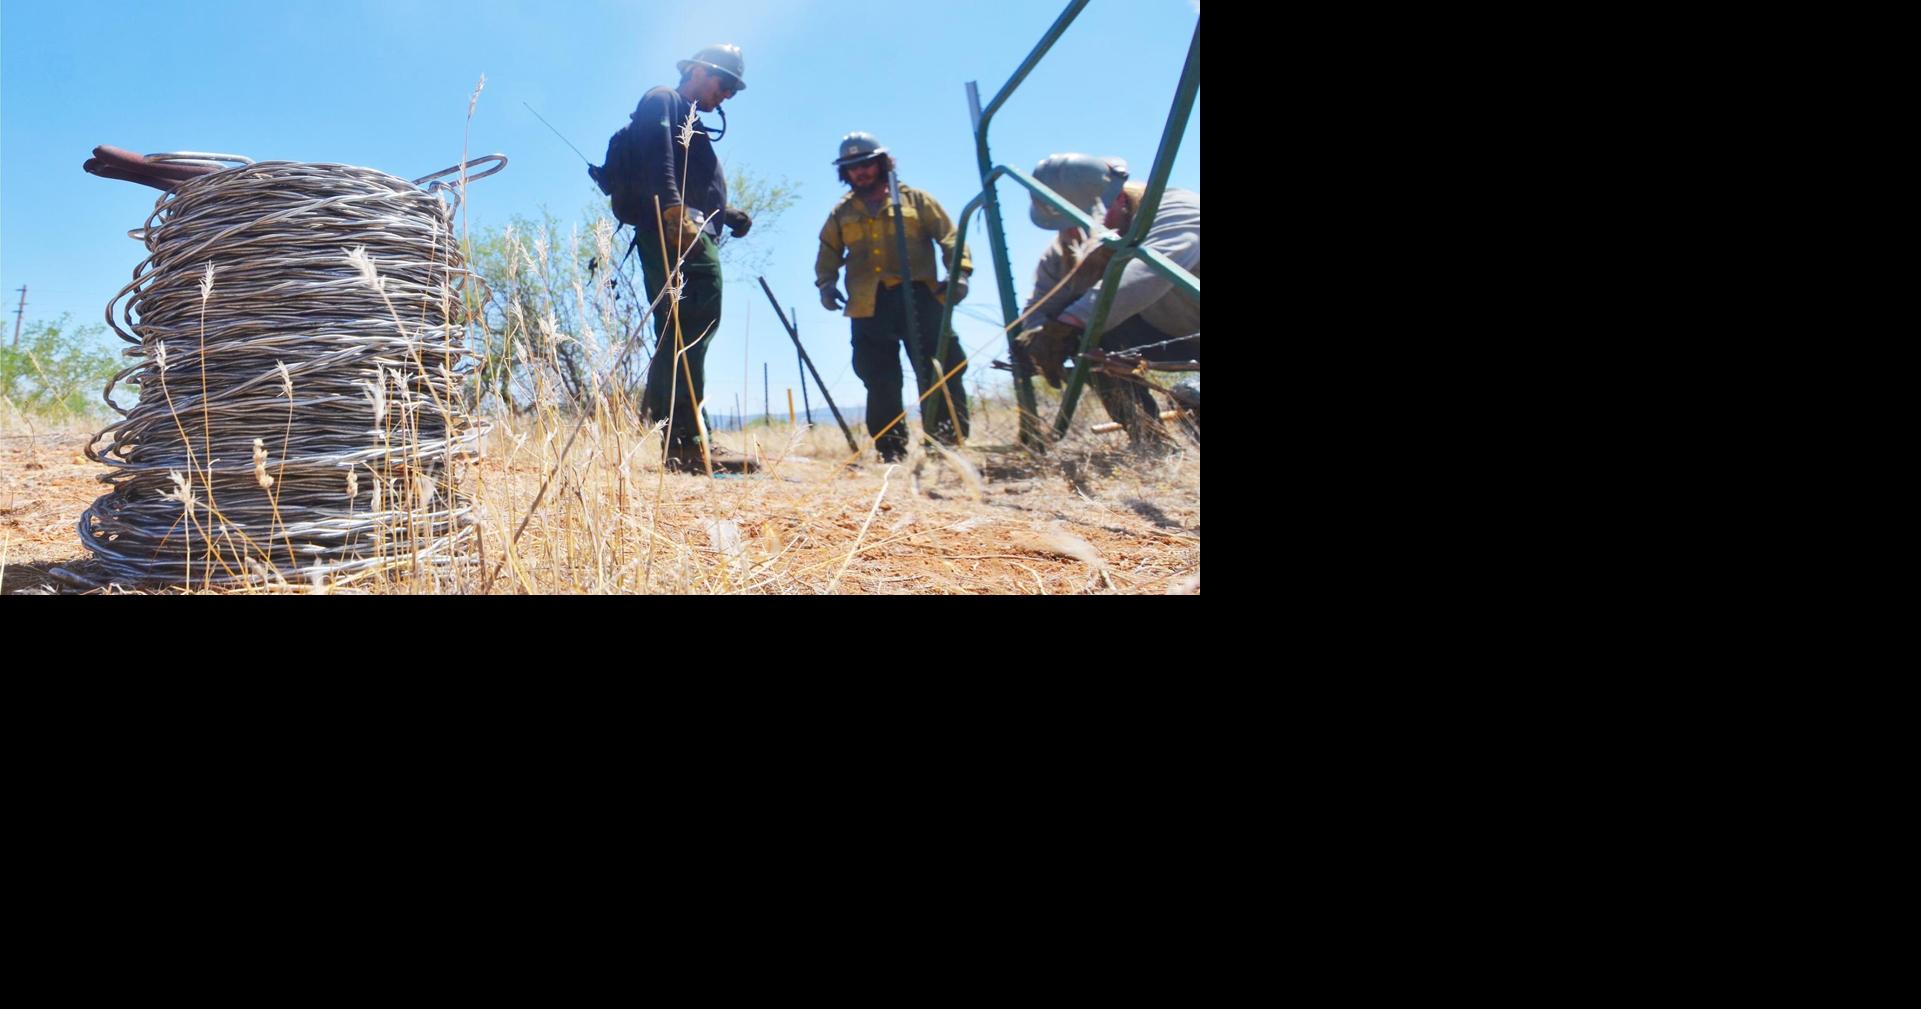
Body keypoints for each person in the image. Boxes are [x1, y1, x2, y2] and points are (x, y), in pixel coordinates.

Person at [598, 44, 755, 472]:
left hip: (685, 224)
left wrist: (727, 213)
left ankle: (685, 436)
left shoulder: (689, 118)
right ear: (701, 71)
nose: (725, 96)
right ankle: (684, 439)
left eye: (733, 92)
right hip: (676, 230)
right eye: (725, 84)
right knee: (691, 322)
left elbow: (690, 182)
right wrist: (672, 211)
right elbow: (659, 159)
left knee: (685, 327)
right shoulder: (663, 98)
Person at [1016, 153, 1200, 450]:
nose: (1072, 232)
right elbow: (1042, 303)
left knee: (1190, 395)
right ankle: (1148, 440)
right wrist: (1036, 338)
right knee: (1085, 337)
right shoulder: (1067, 249)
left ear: (1117, 199)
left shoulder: (1179, 209)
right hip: (1169, 335)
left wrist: (1071, 320)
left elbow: (1147, 274)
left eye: (1081, 218)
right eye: (1062, 224)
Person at [814, 132, 973, 462]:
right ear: (845, 172)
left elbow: (950, 239)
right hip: (868, 305)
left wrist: (960, 275)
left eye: (866, 164)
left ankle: (947, 446)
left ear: (881, 163)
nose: (860, 172)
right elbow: (828, 252)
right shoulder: (841, 213)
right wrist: (826, 285)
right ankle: (891, 451)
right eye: (852, 167)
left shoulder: (915, 200)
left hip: (921, 297)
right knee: (879, 377)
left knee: (939, 369)